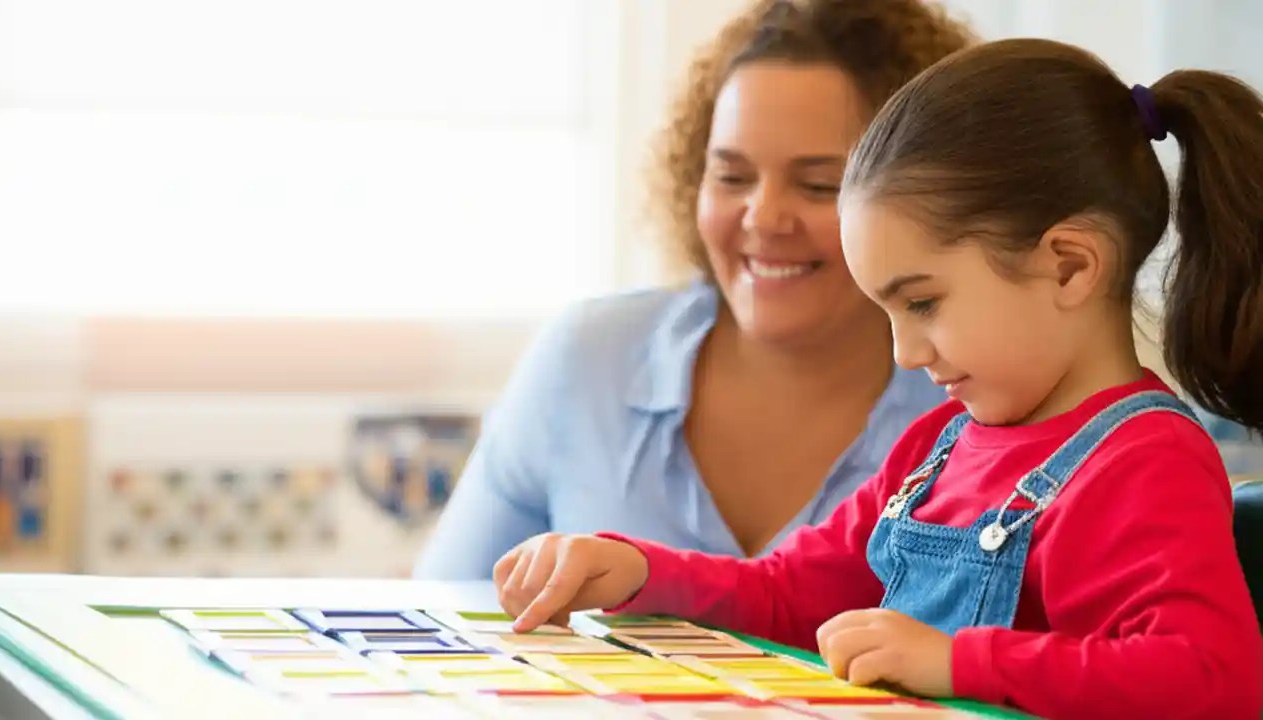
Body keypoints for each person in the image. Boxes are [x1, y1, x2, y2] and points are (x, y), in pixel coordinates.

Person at [493, 37, 1263, 720]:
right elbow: (788, 596)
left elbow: (1213, 679)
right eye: (887, 311)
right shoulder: (938, 448)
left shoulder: (1144, 463)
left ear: (1069, 266)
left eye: (922, 303)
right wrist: (639, 570)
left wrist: (959, 663)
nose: (905, 353)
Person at [414, 0, 972, 579]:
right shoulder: (587, 361)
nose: (763, 217)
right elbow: (442, 605)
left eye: (818, 185)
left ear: (926, 197)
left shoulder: (978, 398)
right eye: (732, 176)